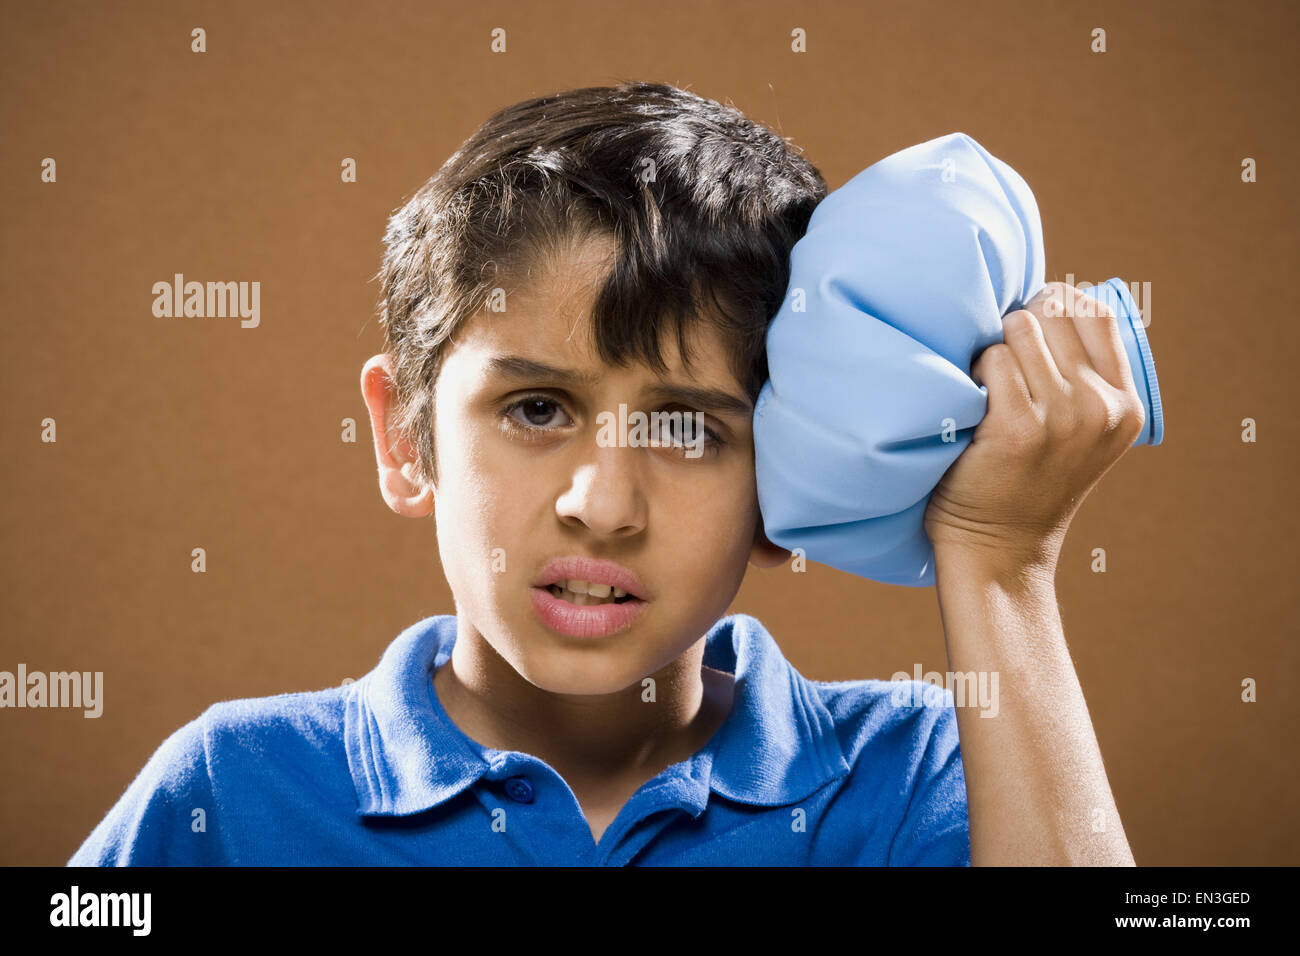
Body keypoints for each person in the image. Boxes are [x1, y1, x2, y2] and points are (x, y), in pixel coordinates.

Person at [69, 81, 1139, 866]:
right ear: (403, 438)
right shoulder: (229, 792)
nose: (601, 506)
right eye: (535, 409)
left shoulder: (918, 779)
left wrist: (1002, 564)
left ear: (789, 478)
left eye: (686, 429)